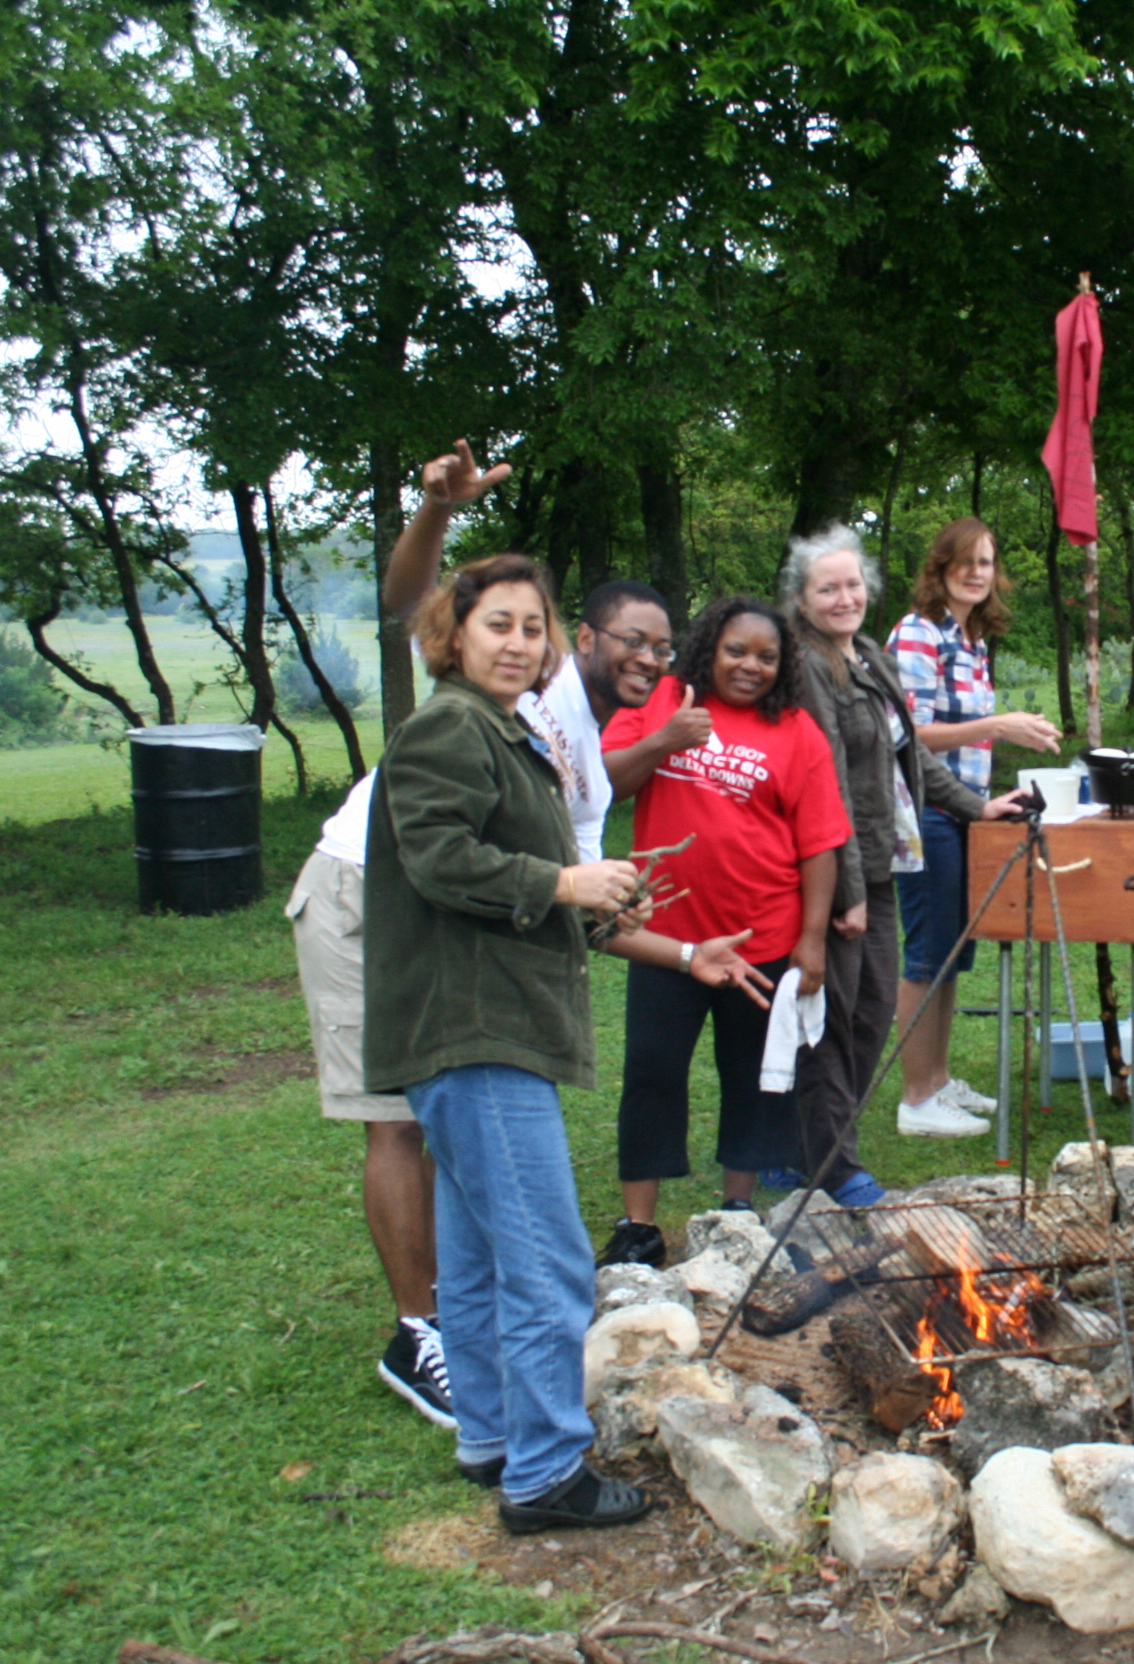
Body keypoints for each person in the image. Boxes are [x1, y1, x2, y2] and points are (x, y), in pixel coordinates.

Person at [285, 442, 690, 1429]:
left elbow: (569, 893)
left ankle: (469, 1364)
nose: (646, 657)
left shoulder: (581, 752)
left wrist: (645, 925)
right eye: (630, 639)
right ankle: (419, 1333)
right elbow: (412, 598)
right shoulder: (493, 689)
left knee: (449, 1131)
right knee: (397, 1115)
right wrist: (433, 508)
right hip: (363, 887)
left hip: (458, 920)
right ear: (582, 639)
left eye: (662, 648)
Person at [362, 551, 766, 1532]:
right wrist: (563, 882)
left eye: (531, 626)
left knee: (478, 1257)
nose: (517, 641)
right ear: (455, 635)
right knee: (545, 1258)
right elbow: (443, 857)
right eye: (497, 623)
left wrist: (657, 933)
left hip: (487, 1026)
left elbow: (539, 881)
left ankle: (495, 1437)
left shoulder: (507, 732)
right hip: (475, 1028)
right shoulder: (447, 727)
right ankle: (547, 1472)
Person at [598, 598, 851, 1266]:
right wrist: (664, 740)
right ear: (710, 647)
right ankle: (639, 1226)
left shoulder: (797, 732)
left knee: (753, 1080)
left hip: (761, 941)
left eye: (767, 657)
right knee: (651, 1074)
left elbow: (820, 844)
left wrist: (814, 939)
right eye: (737, 650)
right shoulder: (667, 702)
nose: (751, 666)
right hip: (665, 938)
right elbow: (605, 784)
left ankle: (737, 1207)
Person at [784, 525, 1025, 1186]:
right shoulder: (806, 664)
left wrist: (980, 807)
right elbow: (828, 777)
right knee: (835, 1015)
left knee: (869, 1010)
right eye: (827, 588)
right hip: (838, 867)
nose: (843, 597)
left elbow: (909, 753)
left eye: (852, 584)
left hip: (890, 855)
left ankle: (805, 1148)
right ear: (802, 600)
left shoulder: (865, 653)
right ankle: (830, 1165)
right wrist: (849, 887)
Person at [887, 518, 1061, 1134]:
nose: (976, 572)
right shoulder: (917, 633)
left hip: (965, 811)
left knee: (954, 953)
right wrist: (1000, 725)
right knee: (928, 951)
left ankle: (937, 1080)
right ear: (939, 569)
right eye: (964, 562)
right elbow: (908, 733)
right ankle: (915, 1098)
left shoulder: (972, 639)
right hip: (923, 813)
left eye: (986, 562)